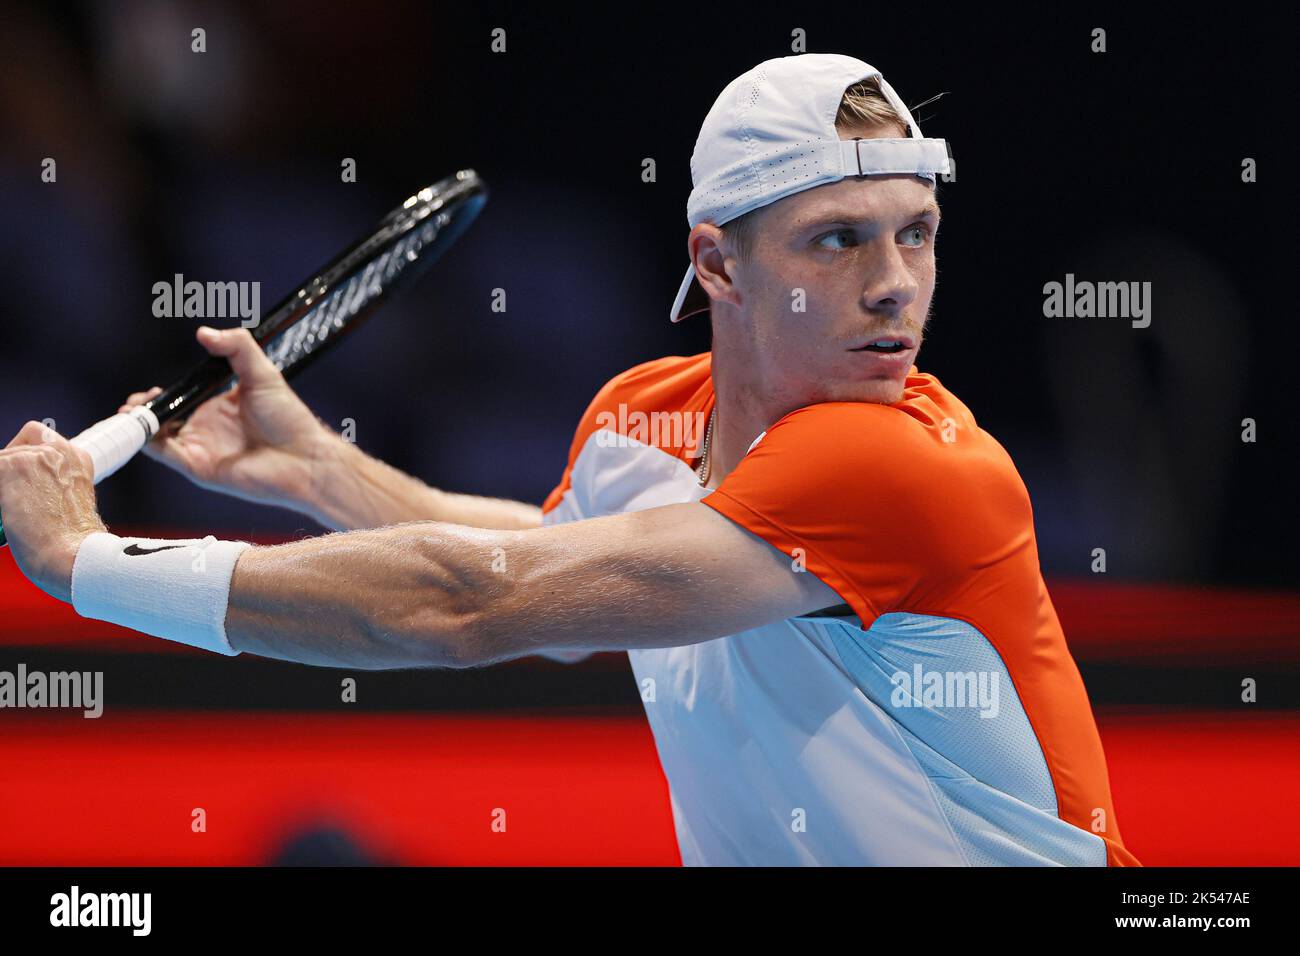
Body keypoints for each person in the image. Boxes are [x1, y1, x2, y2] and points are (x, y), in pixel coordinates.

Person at [0, 53, 1139, 866]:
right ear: (721, 265)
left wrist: (90, 562)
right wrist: (312, 468)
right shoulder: (639, 420)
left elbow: (469, 604)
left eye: (917, 231)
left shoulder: (906, 469)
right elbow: (555, 563)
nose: (894, 279)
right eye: (838, 237)